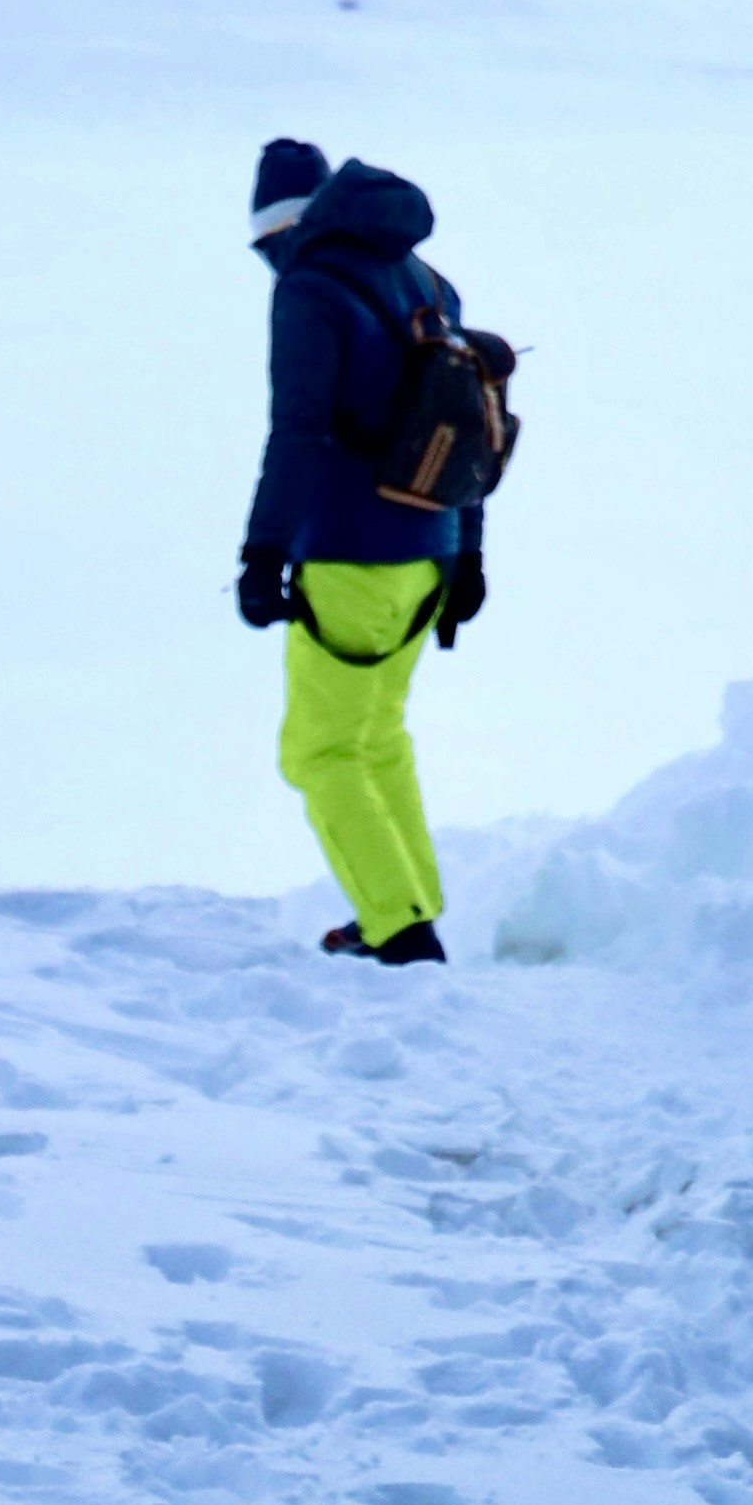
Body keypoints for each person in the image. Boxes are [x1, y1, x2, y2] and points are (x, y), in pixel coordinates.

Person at [236, 136, 491, 964]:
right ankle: (404, 904)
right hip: (430, 550)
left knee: (317, 751)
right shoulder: (427, 280)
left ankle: (400, 933)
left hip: (349, 551)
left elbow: (299, 431)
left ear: (284, 231)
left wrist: (263, 553)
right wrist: (468, 556)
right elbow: (471, 422)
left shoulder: (311, 287)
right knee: (376, 738)